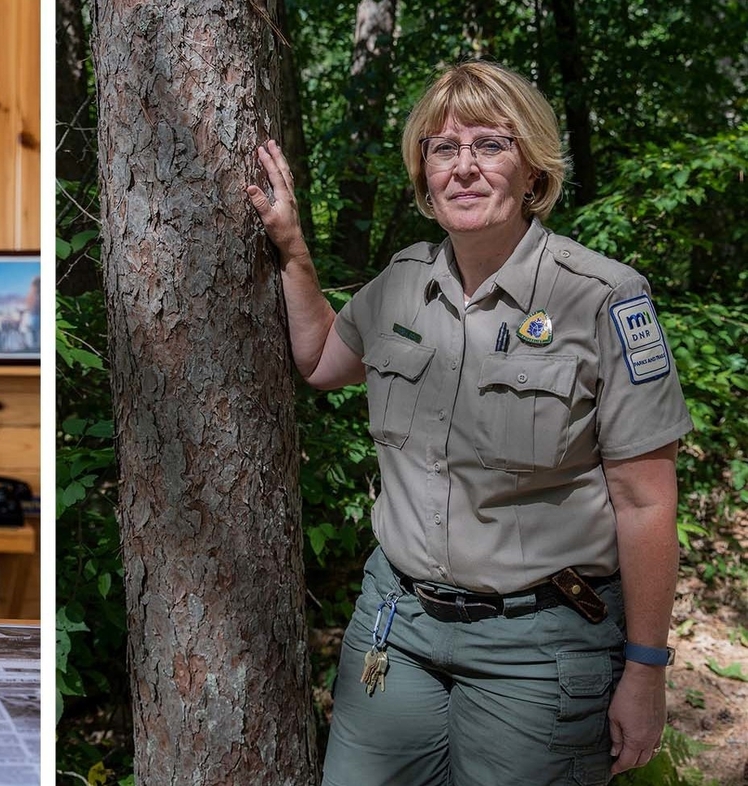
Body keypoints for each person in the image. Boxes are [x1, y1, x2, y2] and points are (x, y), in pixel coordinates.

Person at [246, 61, 691, 785]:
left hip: (540, 644)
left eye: (490, 144)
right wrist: (293, 250)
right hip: (399, 625)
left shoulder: (603, 299)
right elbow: (323, 361)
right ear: (423, 173)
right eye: (443, 148)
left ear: (533, 169)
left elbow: (646, 502)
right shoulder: (402, 283)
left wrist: (646, 669)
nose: (464, 167)